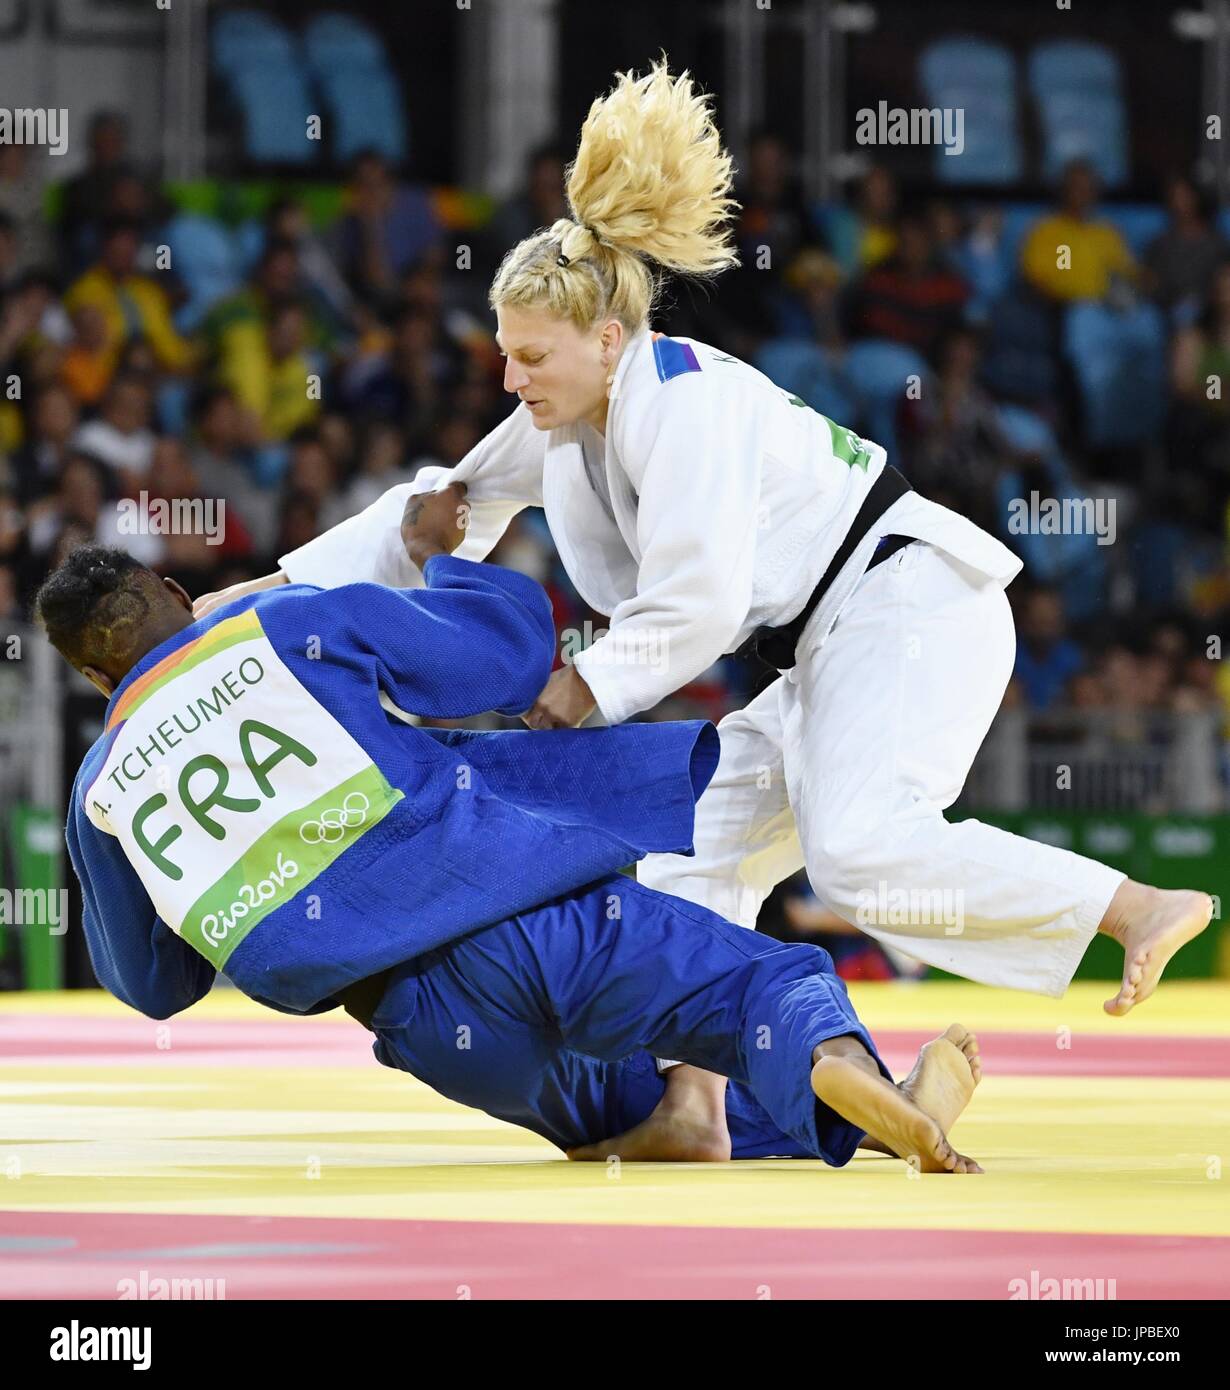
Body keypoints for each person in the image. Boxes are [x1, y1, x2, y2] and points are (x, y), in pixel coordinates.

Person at [194, 63, 1212, 1158]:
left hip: (907, 602)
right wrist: (269, 593)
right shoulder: (571, 415)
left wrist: (585, 684)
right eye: (504, 355)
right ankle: (699, 1110)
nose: (511, 379)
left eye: (530, 357)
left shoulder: (686, 401)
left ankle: (1133, 905)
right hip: (824, 646)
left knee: (859, 849)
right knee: (689, 854)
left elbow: (703, 599)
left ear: (606, 339)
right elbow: (439, 511)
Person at [40, 542, 983, 1173]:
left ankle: (796, 1115)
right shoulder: (282, 627)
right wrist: (442, 559)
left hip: (429, 1029)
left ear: (92, 674)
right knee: (755, 988)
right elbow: (508, 654)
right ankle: (839, 1062)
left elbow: (154, 986)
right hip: (536, 918)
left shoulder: (100, 791)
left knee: (646, 1107)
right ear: (180, 597)